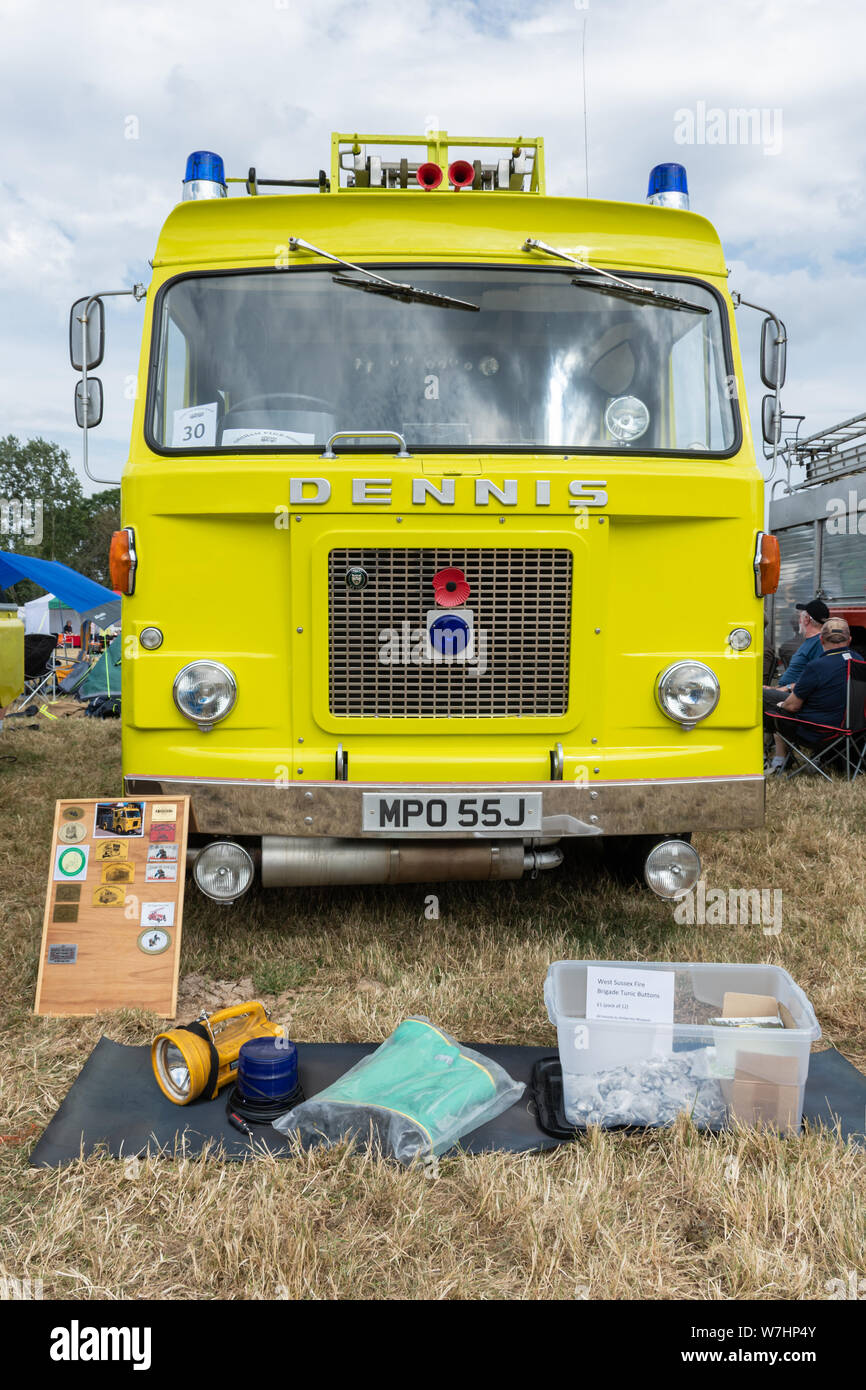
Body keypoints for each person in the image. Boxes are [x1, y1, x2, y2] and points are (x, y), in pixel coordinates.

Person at [766, 617, 853, 771]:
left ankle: (772, 758)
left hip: (817, 732)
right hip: (851, 730)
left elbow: (792, 707)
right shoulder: (859, 662)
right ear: (850, 640)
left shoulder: (817, 666)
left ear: (821, 640)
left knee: (763, 697)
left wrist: (781, 704)